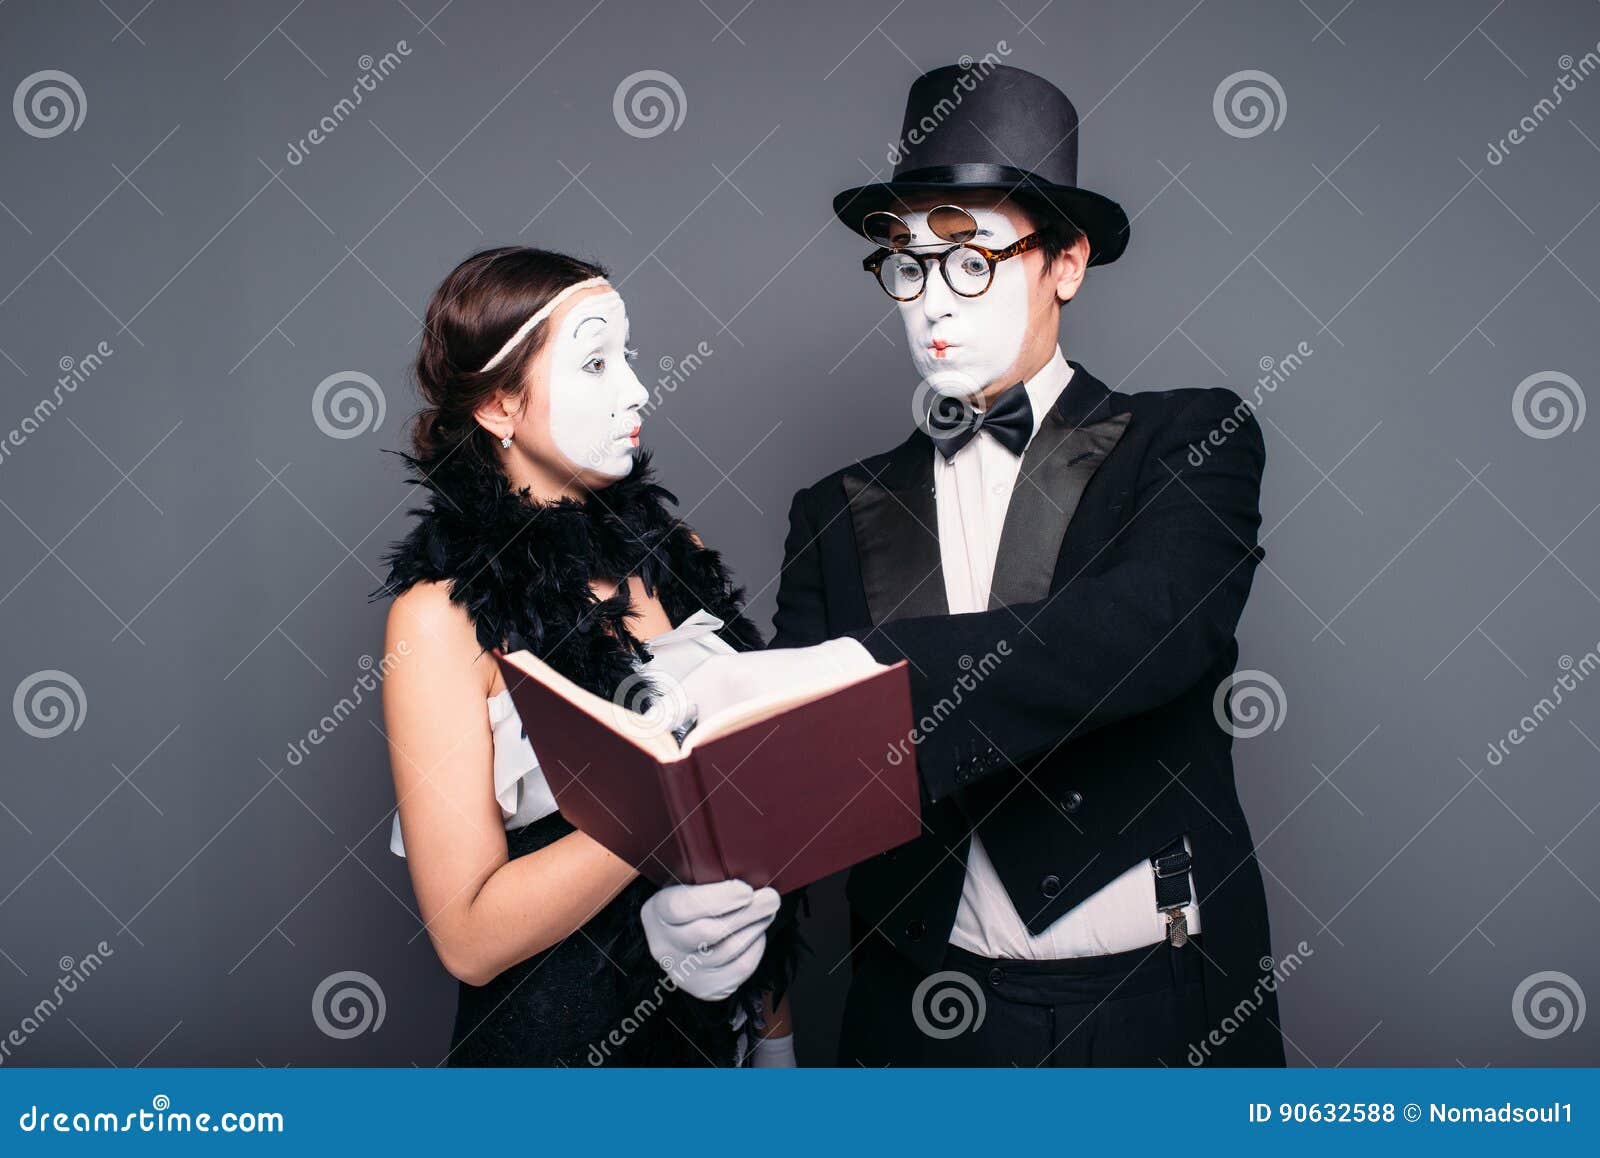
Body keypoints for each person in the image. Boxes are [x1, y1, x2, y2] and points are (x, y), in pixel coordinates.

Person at [682, 64, 1286, 1066]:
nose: (928, 301)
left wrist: (843, 670)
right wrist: (717, 938)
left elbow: (1149, 633)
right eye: (905, 263)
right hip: (917, 1022)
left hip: (1154, 1015)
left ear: (1066, 262)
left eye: (969, 260)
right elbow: (792, 795)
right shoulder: (833, 510)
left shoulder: (1189, 437)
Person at [377, 246, 796, 1066]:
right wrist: (670, 796)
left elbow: (753, 837)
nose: (637, 389)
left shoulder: (676, 554)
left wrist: (776, 1042)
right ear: (500, 405)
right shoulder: (437, 619)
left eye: (627, 357)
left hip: (713, 1054)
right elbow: (466, 937)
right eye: (596, 363)